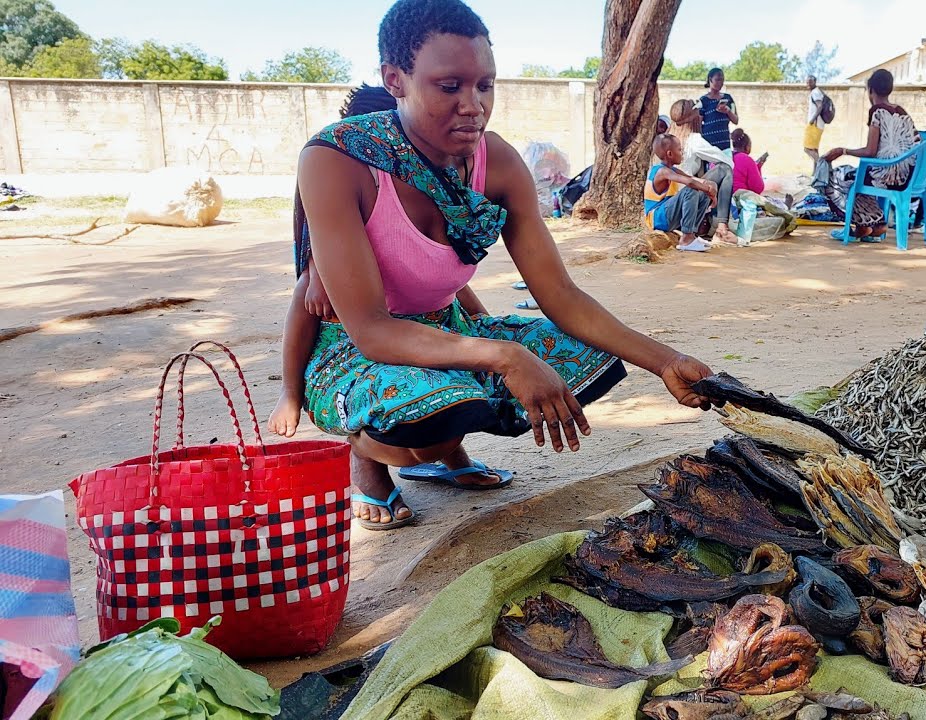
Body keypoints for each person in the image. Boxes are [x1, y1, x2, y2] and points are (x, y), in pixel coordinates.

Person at [295, 0, 715, 529]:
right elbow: (372, 329)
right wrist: (507, 357)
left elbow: (560, 295)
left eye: (485, 86)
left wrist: (666, 361)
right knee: (426, 426)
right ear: (394, 79)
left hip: (446, 330)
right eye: (450, 86)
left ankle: (449, 435)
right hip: (354, 349)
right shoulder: (338, 161)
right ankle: (368, 456)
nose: (473, 106)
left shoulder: (496, 162)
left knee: (589, 353)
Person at [272, 81, 514, 490]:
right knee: (399, 396)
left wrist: (484, 330)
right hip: (368, 347)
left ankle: (453, 453)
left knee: (457, 392)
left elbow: (441, 276)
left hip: (431, 331)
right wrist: (290, 392)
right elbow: (305, 310)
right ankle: (366, 460)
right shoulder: (340, 189)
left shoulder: (431, 183)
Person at [823, 69, 920, 240]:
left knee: (837, 176)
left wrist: (843, 151)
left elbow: (870, 152)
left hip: (884, 175)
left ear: (871, 90)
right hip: (905, 177)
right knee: (859, 175)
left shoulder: (877, 111)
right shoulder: (901, 111)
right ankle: (876, 225)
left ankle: (862, 226)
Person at [670, 99, 737, 245]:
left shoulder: (667, 138)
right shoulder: (694, 140)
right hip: (685, 199)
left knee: (701, 178)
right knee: (725, 169)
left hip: (669, 205)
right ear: (694, 118)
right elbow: (726, 161)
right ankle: (722, 227)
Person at [646, 134, 719, 252]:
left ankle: (692, 235)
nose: (683, 153)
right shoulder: (662, 171)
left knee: (701, 192)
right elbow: (690, 182)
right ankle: (686, 239)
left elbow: (694, 179)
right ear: (670, 154)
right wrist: (709, 190)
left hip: (667, 216)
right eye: (679, 150)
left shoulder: (673, 170)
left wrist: (711, 185)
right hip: (658, 219)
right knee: (691, 190)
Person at [697, 68, 738, 151]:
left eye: (722, 80)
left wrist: (728, 111)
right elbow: (698, 124)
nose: (720, 83)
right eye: (717, 80)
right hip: (709, 144)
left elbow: (736, 120)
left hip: (724, 142)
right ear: (710, 80)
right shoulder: (703, 100)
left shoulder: (728, 98)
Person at [730, 129, 766, 195]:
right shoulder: (747, 159)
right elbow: (758, 188)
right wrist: (758, 167)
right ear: (747, 147)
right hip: (739, 197)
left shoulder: (726, 155)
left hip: (722, 196)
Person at [804, 75, 826, 168]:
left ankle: (823, 166)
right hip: (818, 124)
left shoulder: (815, 92)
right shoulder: (818, 92)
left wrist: (812, 120)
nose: (808, 84)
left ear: (815, 82)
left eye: (810, 82)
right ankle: (816, 172)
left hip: (815, 124)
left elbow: (820, 106)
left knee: (807, 148)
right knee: (814, 149)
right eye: (807, 82)